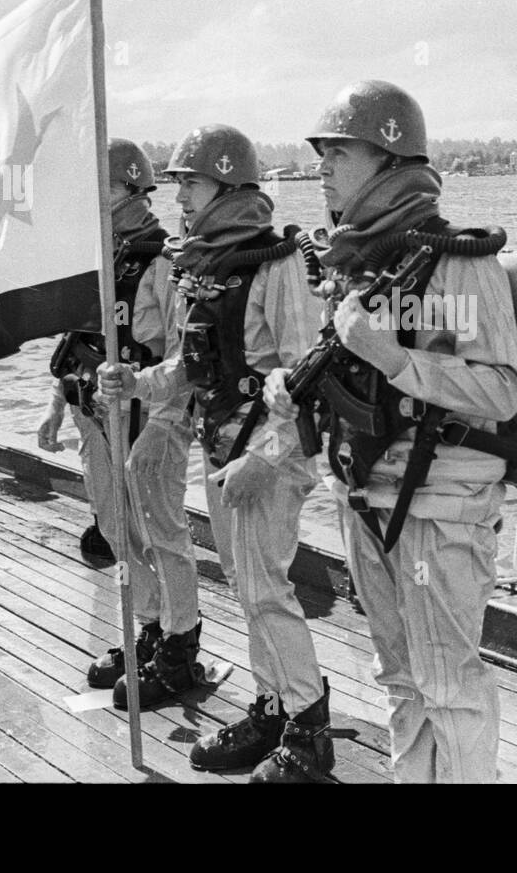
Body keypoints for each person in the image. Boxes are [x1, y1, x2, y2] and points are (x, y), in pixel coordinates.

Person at [263, 80, 517, 783]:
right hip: (366, 498)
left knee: (449, 684)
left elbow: (503, 389)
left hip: (440, 506)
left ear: (386, 159)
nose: (320, 167)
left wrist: (394, 358)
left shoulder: (456, 264)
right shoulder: (356, 267)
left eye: (337, 152)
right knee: (400, 678)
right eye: (320, 154)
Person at [98, 126, 330, 781]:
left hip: (268, 457)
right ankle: (271, 706)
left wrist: (268, 453)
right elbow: (188, 366)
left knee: (266, 589)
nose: (179, 201)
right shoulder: (200, 267)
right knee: (248, 589)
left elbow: (305, 376)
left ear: (229, 185)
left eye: (190, 186)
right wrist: (135, 383)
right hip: (223, 449)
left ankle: (308, 731)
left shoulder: (276, 264)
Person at [38, 140, 169, 566]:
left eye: (105, 191)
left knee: (148, 531)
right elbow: (77, 340)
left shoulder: (162, 260)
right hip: (89, 407)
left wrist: (163, 427)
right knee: (113, 524)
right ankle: (143, 613)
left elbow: (182, 358)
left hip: (137, 412)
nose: (93, 203)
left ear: (134, 191)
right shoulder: (93, 255)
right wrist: (56, 409)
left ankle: (168, 624)